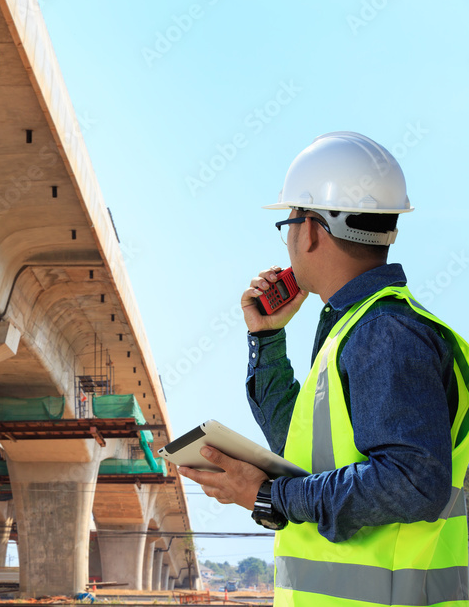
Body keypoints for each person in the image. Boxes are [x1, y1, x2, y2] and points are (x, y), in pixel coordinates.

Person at [178, 132, 469, 606]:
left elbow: (413, 483)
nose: (290, 239)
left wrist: (271, 495)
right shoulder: (357, 328)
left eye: (288, 223)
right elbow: (300, 449)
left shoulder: (383, 332)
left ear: (311, 229)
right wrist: (267, 338)